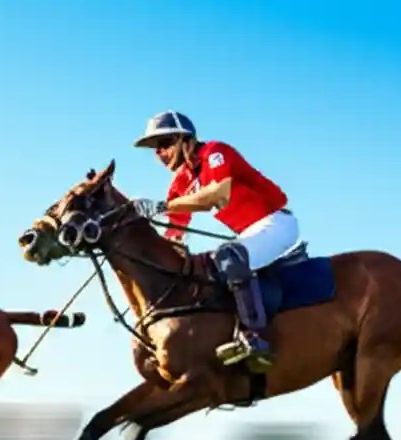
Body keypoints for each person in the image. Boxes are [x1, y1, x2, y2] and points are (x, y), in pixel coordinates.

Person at [128, 111, 302, 373]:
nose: (159, 154)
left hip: (276, 223)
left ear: (184, 139)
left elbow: (216, 195)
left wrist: (160, 206)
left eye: (164, 145)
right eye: (155, 149)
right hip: (247, 234)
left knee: (228, 256)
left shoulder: (215, 152)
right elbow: (175, 235)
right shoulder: (180, 184)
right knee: (206, 268)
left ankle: (256, 339)